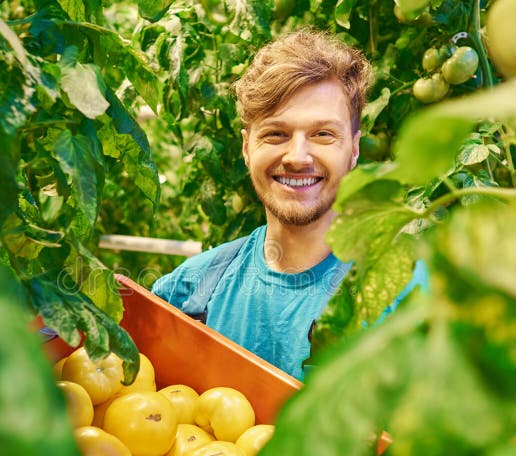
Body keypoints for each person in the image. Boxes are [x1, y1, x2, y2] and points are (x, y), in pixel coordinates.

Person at [152, 30, 425, 380]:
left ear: (354, 149)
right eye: (276, 134)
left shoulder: (411, 295)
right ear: (247, 147)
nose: (297, 157)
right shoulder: (190, 291)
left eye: (323, 134)